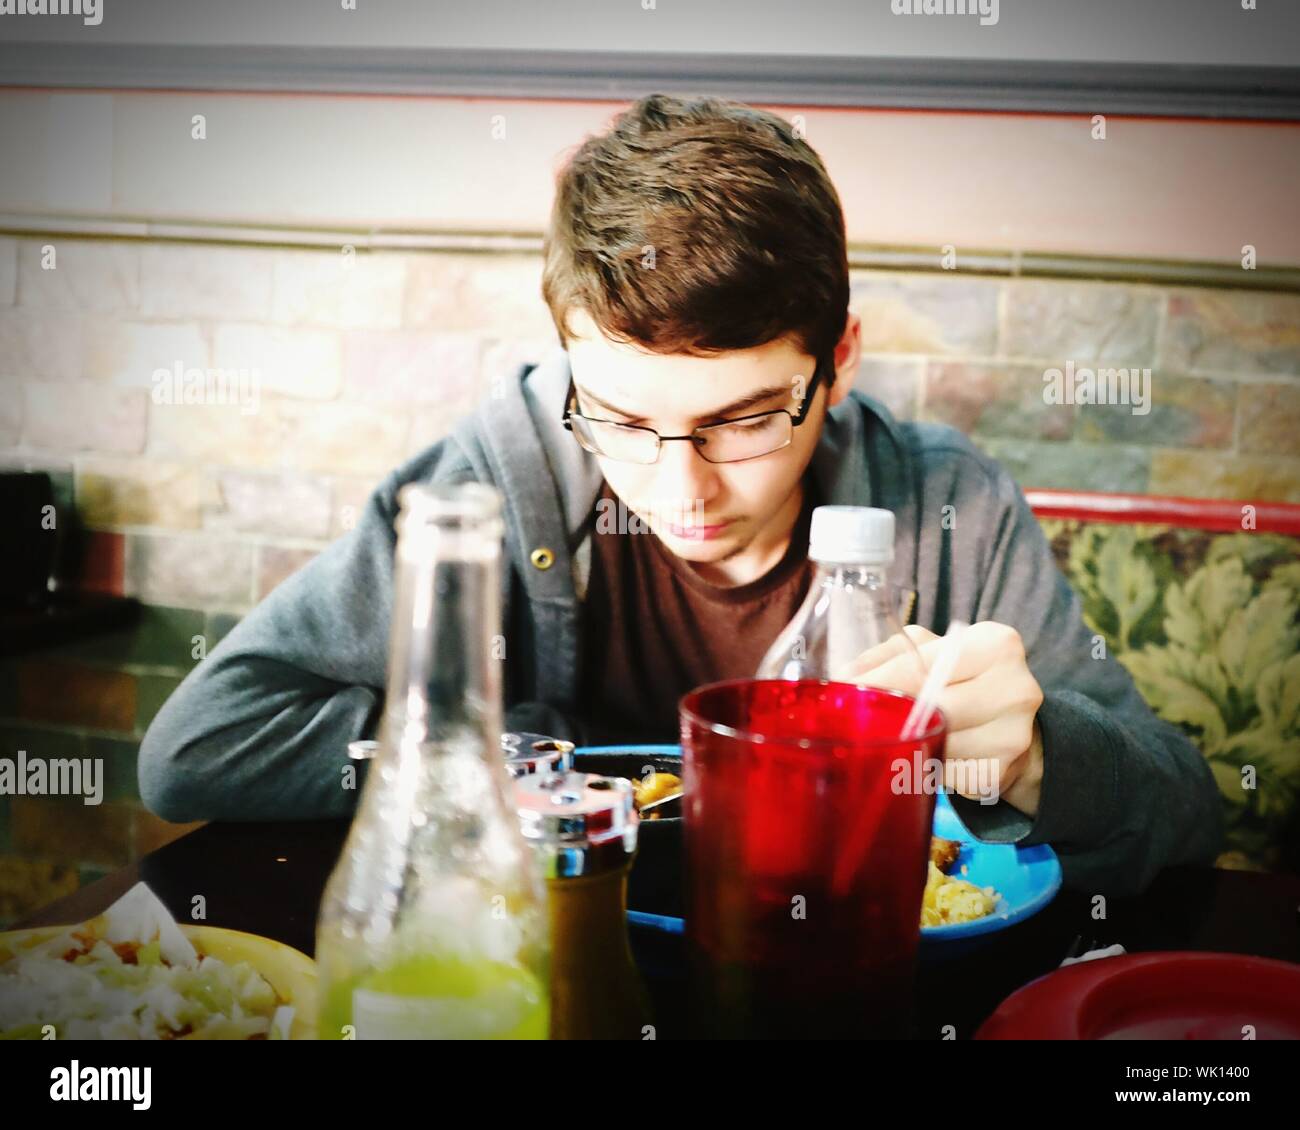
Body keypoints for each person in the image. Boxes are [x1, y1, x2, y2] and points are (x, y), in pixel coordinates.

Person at [138, 93, 1222, 895]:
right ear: (567, 359)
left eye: (743, 418)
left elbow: (1186, 805)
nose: (678, 484)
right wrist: (512, 748)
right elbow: (198, 747)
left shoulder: (953, 506)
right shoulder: (488, 486)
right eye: (615, 416)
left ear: (837, 361)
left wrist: (1041, 753)